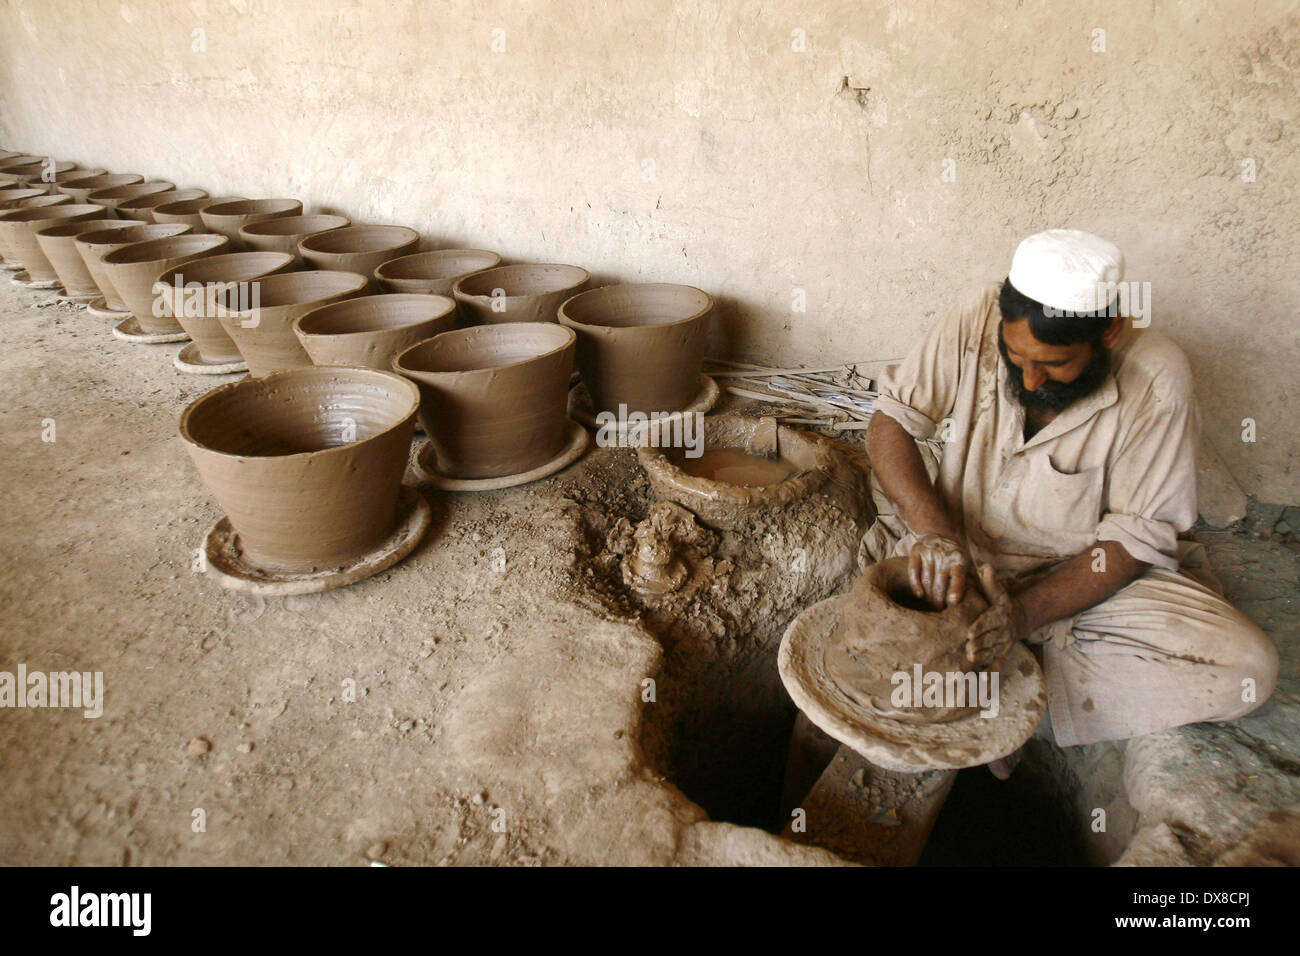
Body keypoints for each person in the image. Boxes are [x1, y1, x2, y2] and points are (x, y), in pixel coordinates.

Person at [861, 228, 1278, 771]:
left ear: (1110, 334)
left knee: (1247, 671)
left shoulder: (1158, 377)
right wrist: (933, 532)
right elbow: (890, 422)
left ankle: (1014, 703)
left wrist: (1023, 615)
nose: (1031, 380)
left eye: (1054, 364)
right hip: (953, 554)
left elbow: (1132, 543)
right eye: (1016, 358)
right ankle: (987, 672)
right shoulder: (976, 318)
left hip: (1077, 581)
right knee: (872, 625)